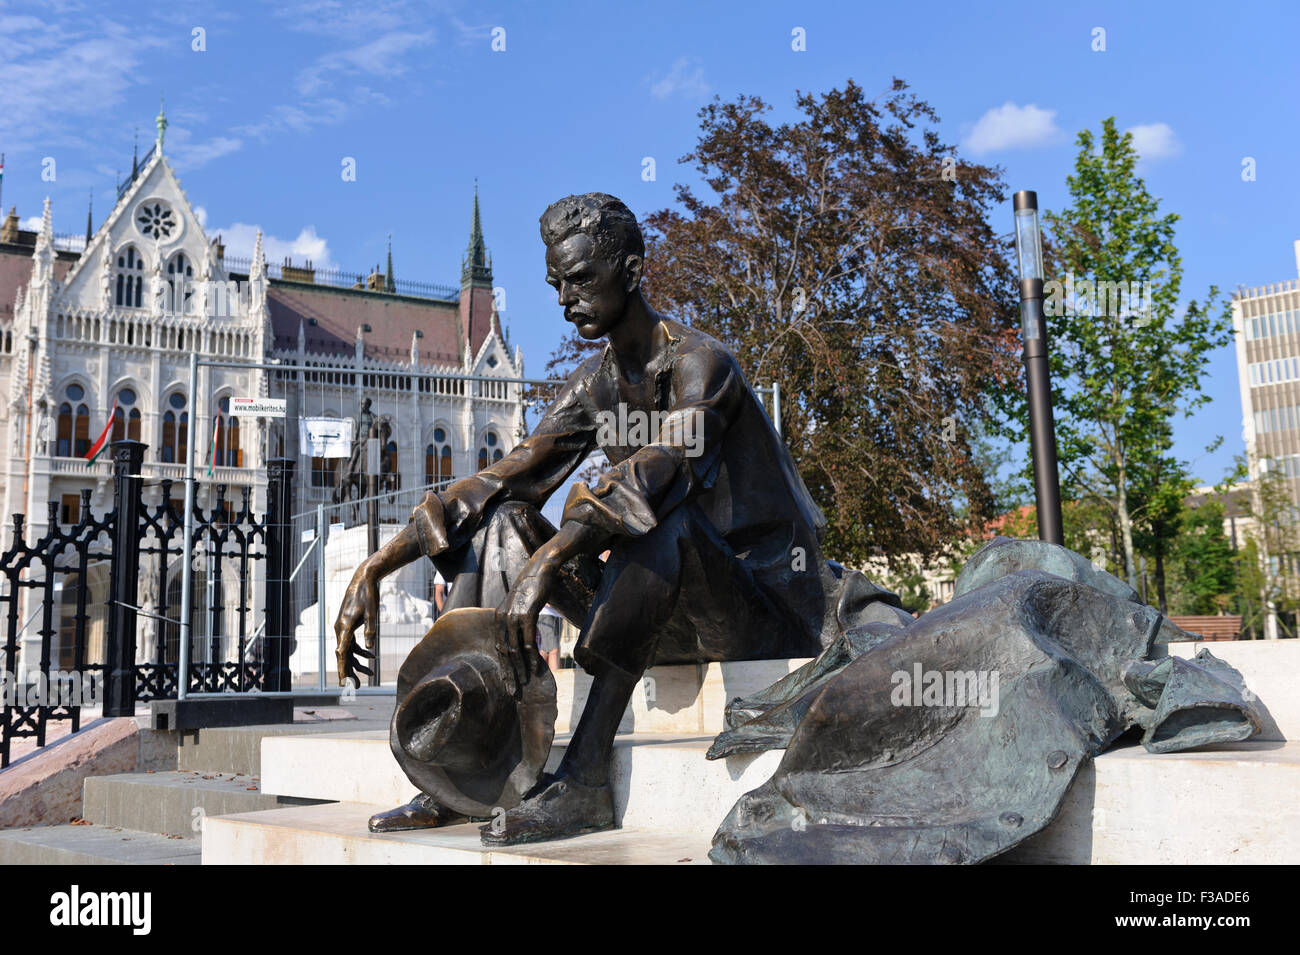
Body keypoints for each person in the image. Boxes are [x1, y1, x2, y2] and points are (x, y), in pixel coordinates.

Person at [335, 193, 833, 845]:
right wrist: (379, 563)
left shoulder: (702, 365)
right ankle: (467, 771)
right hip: (669, 610)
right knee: (509, 520)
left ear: (631, 269)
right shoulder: (594, 384)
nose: (566, 298)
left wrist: (552, 560)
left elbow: (660, 472)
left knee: (658, 518)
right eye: (556, 284)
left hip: (761, 610)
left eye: (580, 279)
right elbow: (503, 475)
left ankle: (587, 779)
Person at [535, 604, 563, 673]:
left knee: (545, 650)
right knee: (553, 650)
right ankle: (555, 679)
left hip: (558, 615)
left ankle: (540, 677)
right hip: (545, 614)